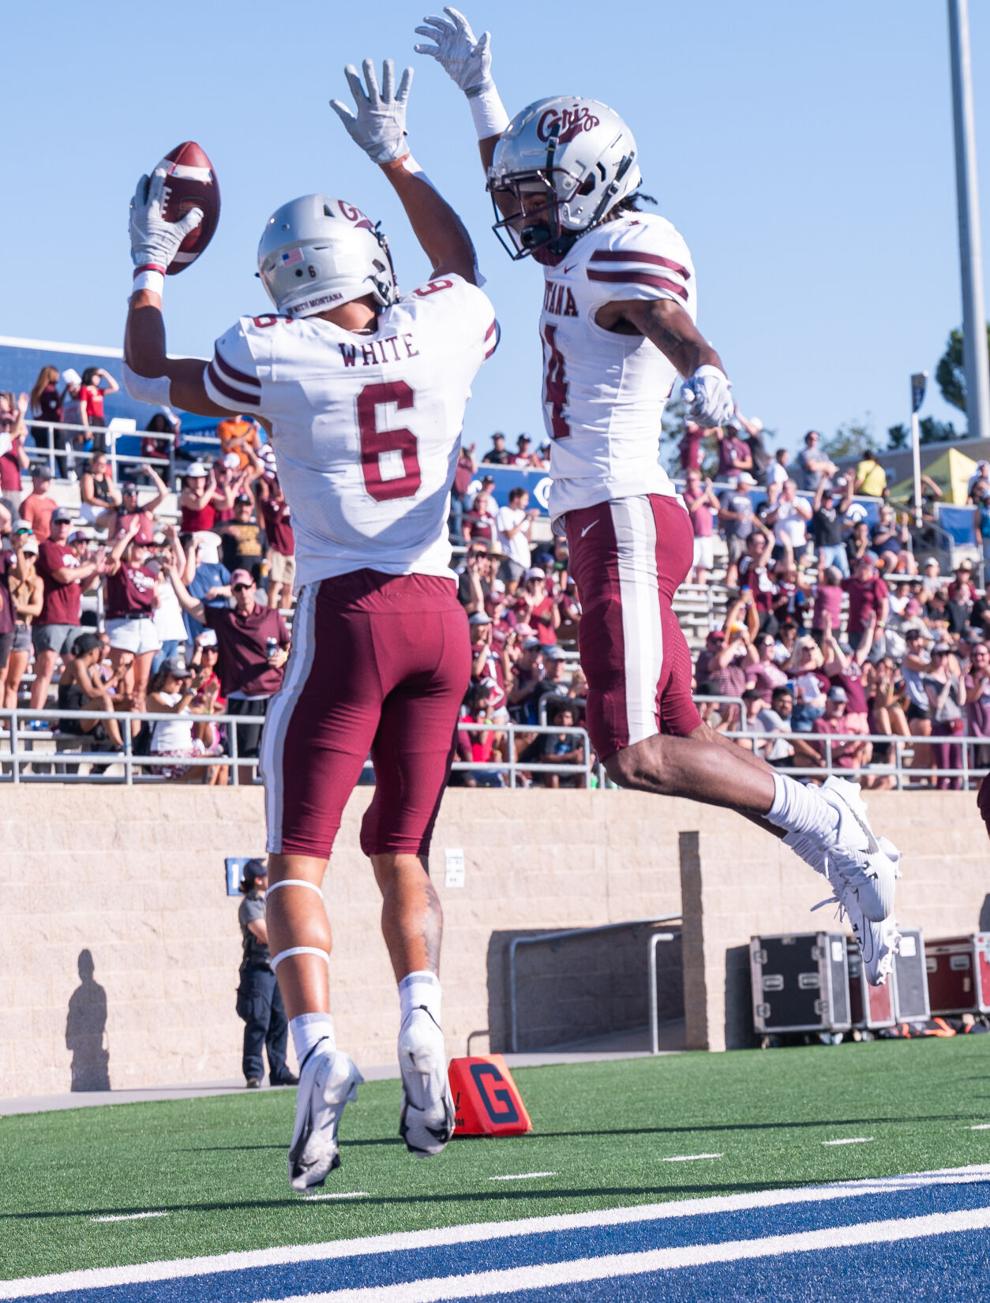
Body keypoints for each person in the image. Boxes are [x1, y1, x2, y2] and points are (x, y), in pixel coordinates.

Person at [418, 7, 899, 979]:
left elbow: (666, 317)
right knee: (679, 738)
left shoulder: (627, 247)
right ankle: (831, 840)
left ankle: (832, 822)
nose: (517, 214)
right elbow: (517, 189)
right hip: (607, 517)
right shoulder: (578, 236)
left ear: (591, 187)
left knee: (631, 751)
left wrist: (704, 370)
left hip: (626, 513)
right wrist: (478, 94)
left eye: (534, 196)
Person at [123, 56, 496, 1188]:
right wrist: (399, 151)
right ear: (361, 258)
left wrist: (148, 264)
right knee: (404, 848)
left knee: (295, 855)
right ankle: (424, 1021)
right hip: (444, 615)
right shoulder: (440, 327)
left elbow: (147, 372)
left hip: (348, 617)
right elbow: (463, 265)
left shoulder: (271, 351)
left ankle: (320, 1044)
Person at [31, 510, 104, 714]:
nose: (62, 526)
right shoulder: (47, 548)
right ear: (51, 524)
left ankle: (71, 714)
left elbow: (82, 585)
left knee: (78, 668)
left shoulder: (71, 553)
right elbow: (64, 576)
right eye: (59, 522)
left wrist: (94, 570)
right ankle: (33, 716)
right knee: (45, 669)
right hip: (51, 617)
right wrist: (90, 565)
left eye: (66, 522)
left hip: (72, 618)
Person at [236, 859, 297, 1089]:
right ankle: (253, 1073)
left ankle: (279, 1071)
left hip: (276, 967)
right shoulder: (250, 905)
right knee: (258, 1020)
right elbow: (264, 933)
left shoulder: (271, 901)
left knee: (280, 1020)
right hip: (258, 969)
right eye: (265, 874)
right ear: (258, 879)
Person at [29, 366, 64, 476]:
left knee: (43, 456)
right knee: (59, 454)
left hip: (38, 428)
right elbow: (53, 408)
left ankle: (43, 475)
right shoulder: (49, 391)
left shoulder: (37, 390)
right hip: (48, 428)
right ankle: (62, 476)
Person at [77, 367, 120, 455]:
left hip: (100, 420)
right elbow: (82, 409)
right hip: (91, 420)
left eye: (99, 377)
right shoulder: (85, 389)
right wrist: (86, 428)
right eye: (96, 376)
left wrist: (105, 374)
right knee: (93, 446)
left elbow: (115, 387)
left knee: (101, 447)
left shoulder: (99, 391)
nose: (98, 379)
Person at [18, 466, 59, 541]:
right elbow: (25, 529)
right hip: (38, 546)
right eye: (45, 479)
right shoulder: (29, 503)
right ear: (34, 480)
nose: (48, 482)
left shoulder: (52, 502)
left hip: (52, 544)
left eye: (49, 479)